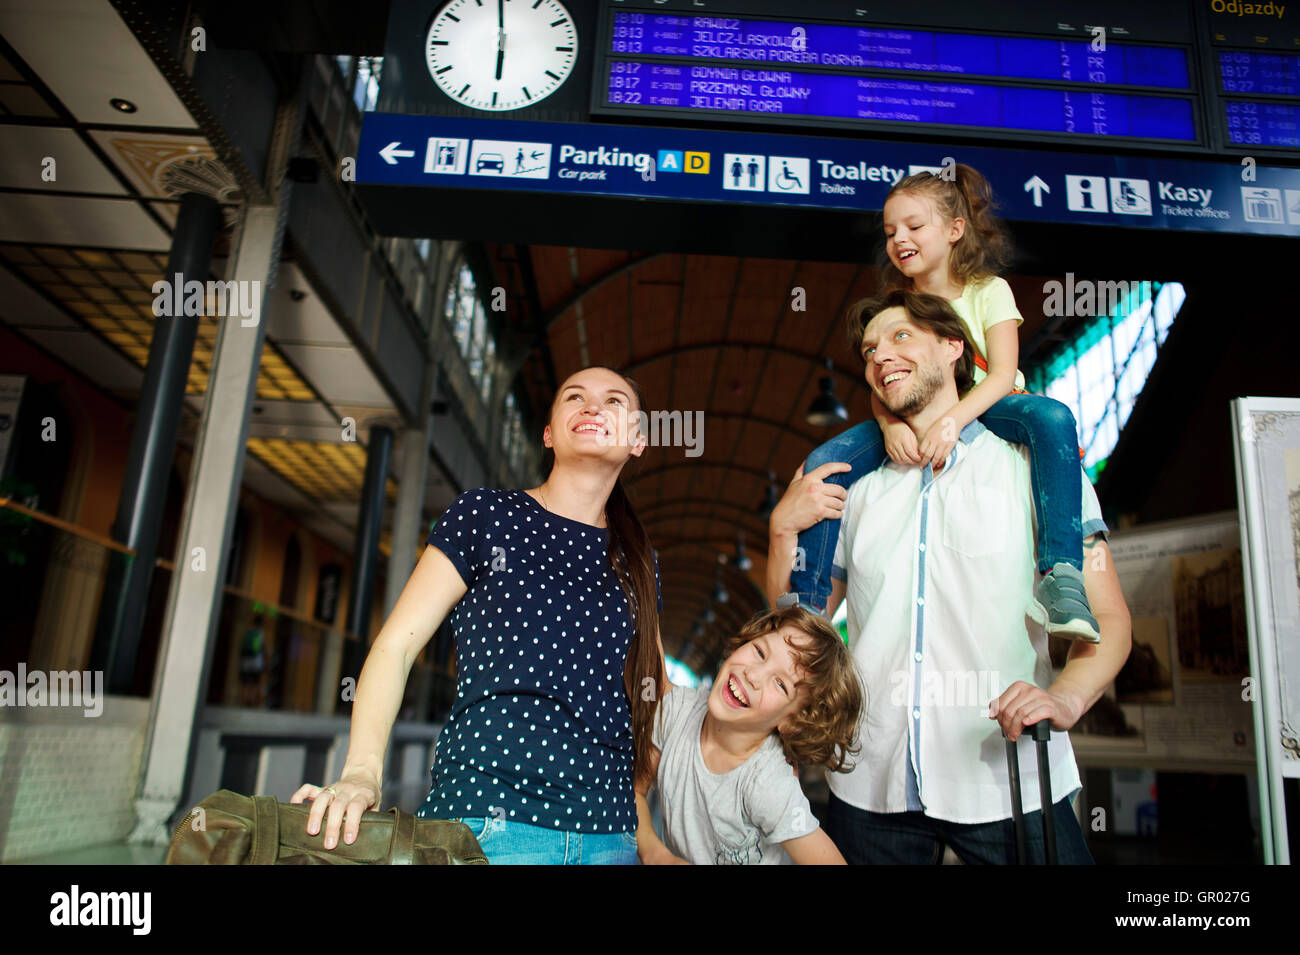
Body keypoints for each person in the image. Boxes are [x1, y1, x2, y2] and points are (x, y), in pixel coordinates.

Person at [766, 289, 1131, 864]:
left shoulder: (1037, 469)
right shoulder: (852, 485)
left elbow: (1108, 618)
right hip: (870, 782)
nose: (880, 355)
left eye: (901, 336)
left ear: (954, 347)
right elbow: (799, 631)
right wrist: (782, 533)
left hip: (1009, 779)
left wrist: (1066, 700)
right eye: (869, 349)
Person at [291, 366, 665, 865]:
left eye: (615, 401)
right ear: (549, 433)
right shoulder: (485, 516)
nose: (593, 406)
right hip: (484, 825)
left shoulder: (638, 561)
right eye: (575, 397)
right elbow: (396, 646)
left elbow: (654, 694)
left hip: (609, 837)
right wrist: (362, 771)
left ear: (637, 439)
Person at [789, 164, 1099, 643]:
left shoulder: (988, 290)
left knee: (1053, 416)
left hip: (989, 403)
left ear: (955, 230)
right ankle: (806, 608)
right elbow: (884, 381)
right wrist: (890, 424)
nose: (899, 239)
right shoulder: (897, 301)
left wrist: (954, 420)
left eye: (914, 227)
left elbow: (1000, 375)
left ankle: (1062, 573)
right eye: (891, 231)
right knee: (825, 461)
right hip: (913, 413)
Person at [634, 605, 862, 865]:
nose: (753, 675)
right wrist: (656, 853)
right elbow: (637, 790)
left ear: (793, 722)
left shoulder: (766, 782)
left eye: (780, 684)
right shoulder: (675, 713)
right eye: (759, 651)